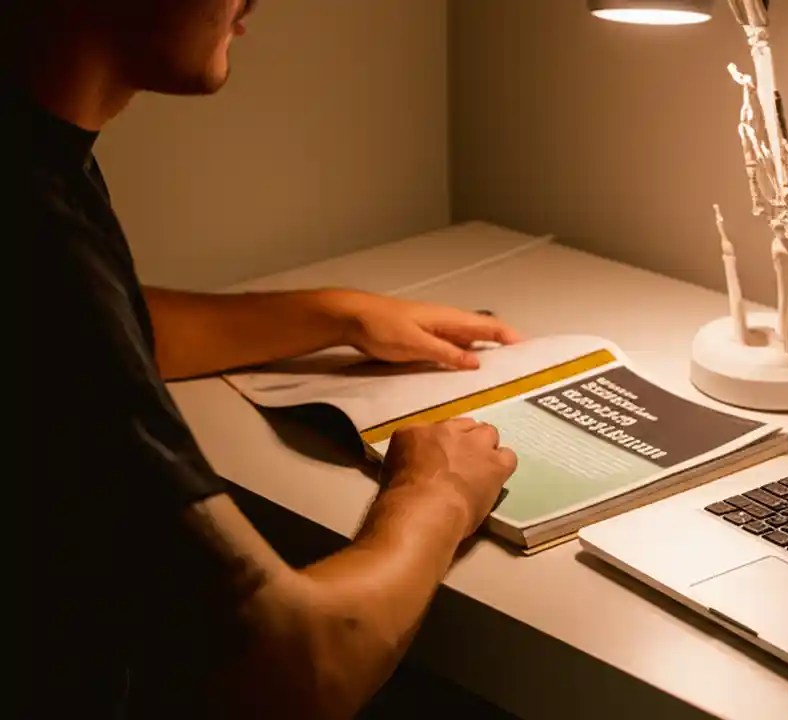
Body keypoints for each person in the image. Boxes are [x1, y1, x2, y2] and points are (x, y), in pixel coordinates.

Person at [8, 1, 521, 717]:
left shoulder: (40, 161)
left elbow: (93, 332)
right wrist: (434, 495)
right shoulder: (32, 226)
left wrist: (334, 314)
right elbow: (295, 667)